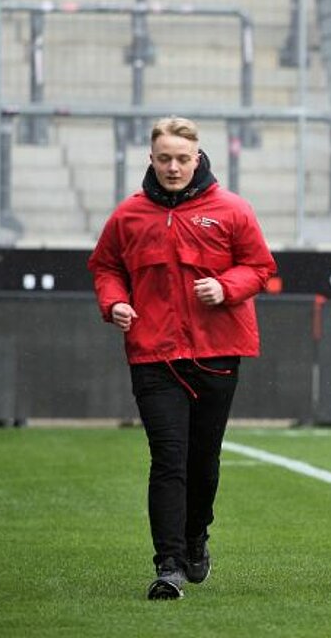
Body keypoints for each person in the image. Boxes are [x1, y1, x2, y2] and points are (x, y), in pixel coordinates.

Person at [87, 116, 277, 600]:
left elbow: (260, 267)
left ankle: (196, 537)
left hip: (217, 352)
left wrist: (227, 285)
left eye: (182, 159)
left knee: (203, 460)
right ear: (151, 159)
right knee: (168, 458)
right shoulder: (129, 215)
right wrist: (115, 304)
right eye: (164, 158)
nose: (173, 167)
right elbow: (106, 266)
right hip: (154, 354)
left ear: (199, 158)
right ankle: (168, 564)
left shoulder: (233, 209)